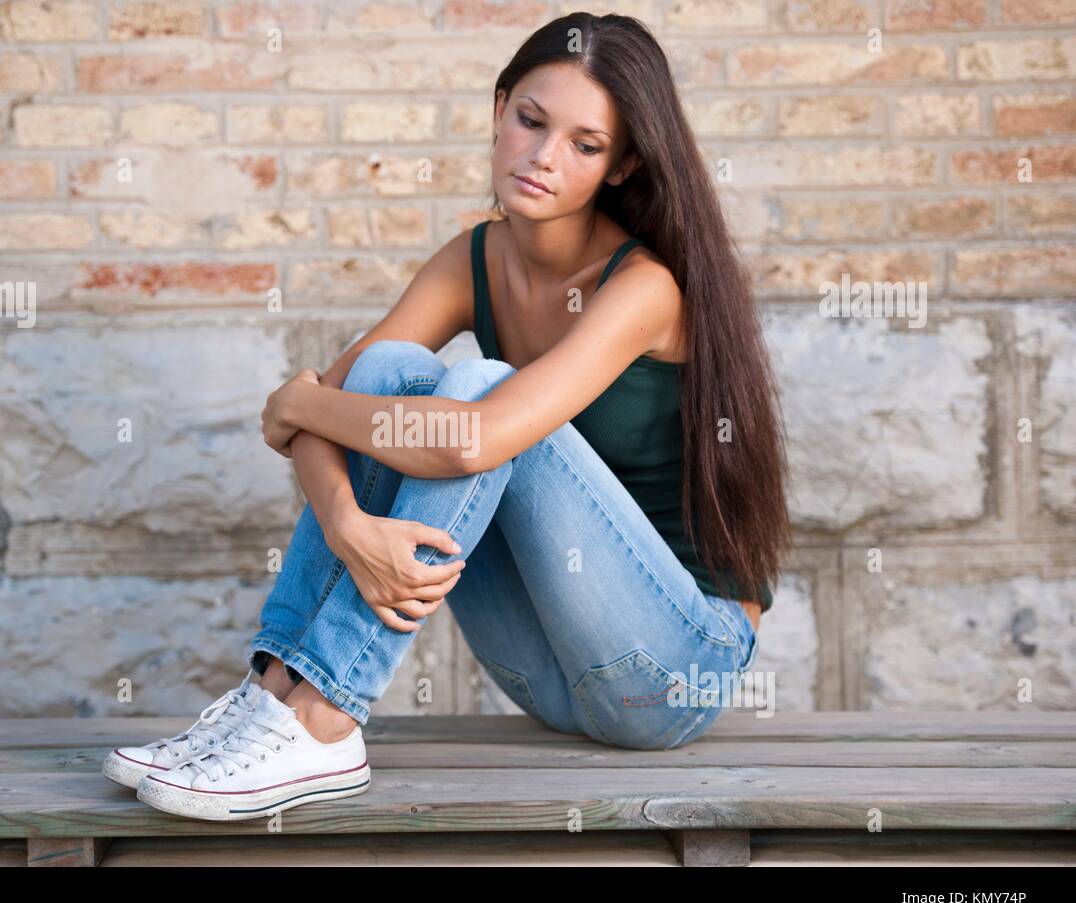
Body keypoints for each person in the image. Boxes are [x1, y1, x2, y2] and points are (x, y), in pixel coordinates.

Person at [110, 11, 792, 822]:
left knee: (473, 392)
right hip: (546, 674)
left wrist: (303, 399)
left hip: (671, 672)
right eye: (531, 121)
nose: (542, 157)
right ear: (499, 109)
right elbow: (324, 418)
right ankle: (274, 694)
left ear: (622, 165)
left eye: (584, 144)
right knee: (395, 372)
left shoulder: (644, 287)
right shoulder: (473, 257)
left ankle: (326, 718)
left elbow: (463, 436)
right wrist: (349, 527)